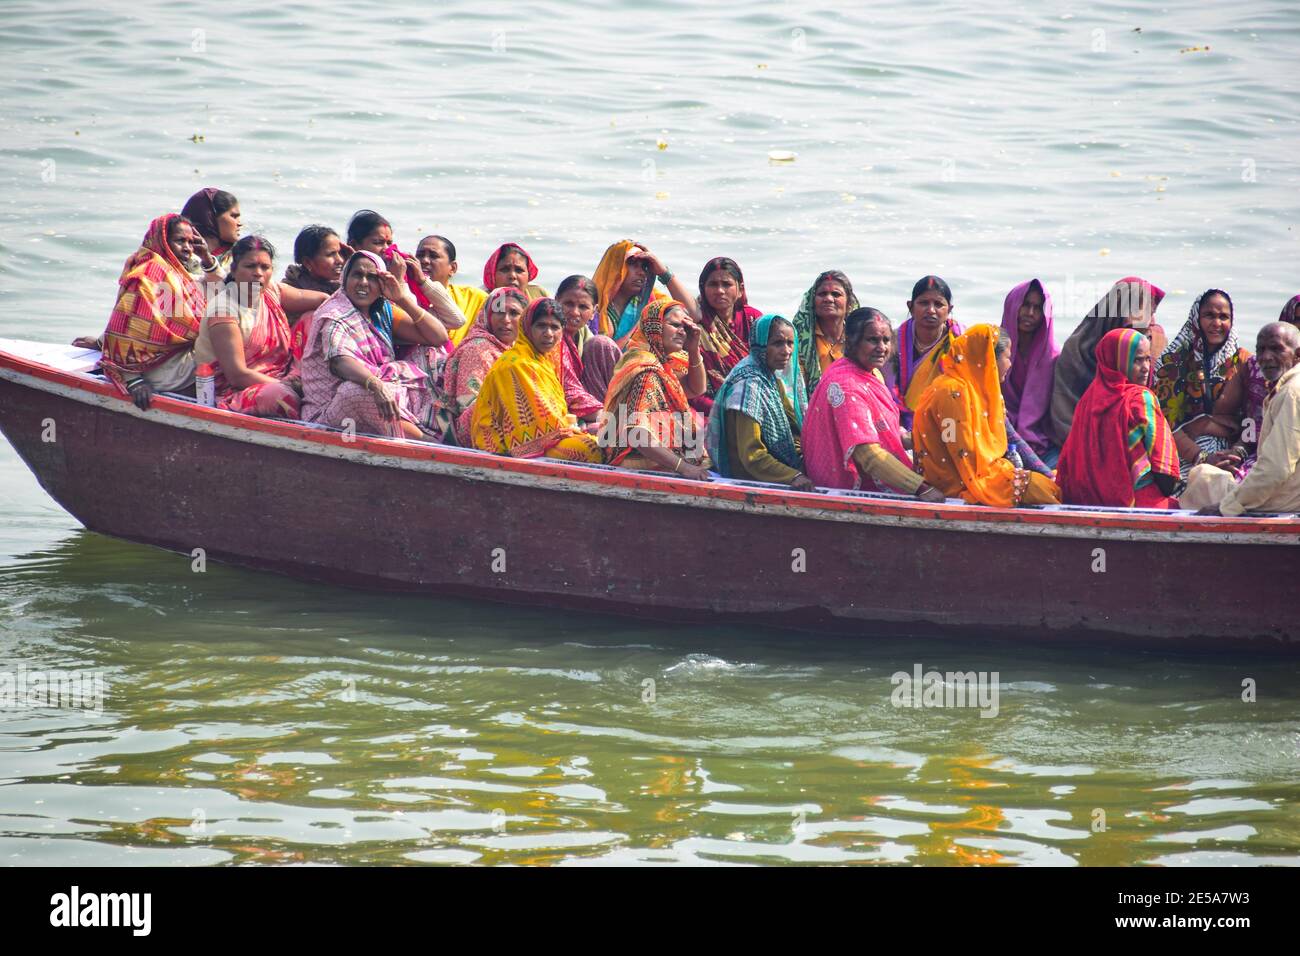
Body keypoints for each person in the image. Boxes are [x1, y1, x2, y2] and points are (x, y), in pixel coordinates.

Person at [299, 250, 448, 439]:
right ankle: (427, 442)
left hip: (379, 389)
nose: (363, 283)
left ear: (382, 283)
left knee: (430, 354)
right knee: (355, 391)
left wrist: (401, 298)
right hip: (330, 408)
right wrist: (376, 385)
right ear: (345, 279)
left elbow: (438, 337)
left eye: (372, 277)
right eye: (357, 275)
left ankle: (433, 425)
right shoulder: (334, 313)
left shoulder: (380, 311)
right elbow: (340, 362)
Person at [803, 308, 946, 501]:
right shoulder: (847, 386)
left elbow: (889, 433)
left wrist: (936, 438)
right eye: (872, 340)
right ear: (852, 342)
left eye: (886, 340)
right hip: (849, 492)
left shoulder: (872, 373)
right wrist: (921, 488)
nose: (882, 347)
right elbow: (867, 454)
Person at [913, 325, 1061, 507]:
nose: (1010, 364)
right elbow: (961, 451)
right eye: (1007, 357)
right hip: (954, 483)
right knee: (1040, 490)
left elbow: (1010, 436)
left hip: (979, 472)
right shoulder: (952, 391)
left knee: (1050, 483)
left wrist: (1047, 474)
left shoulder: (982, 393)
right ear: (988, 359)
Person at [193, 236, 326, 418]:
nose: (258, 273)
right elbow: (237, 375)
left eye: (265, 267)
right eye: (250, 266)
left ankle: (309, 382)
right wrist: (287, 386)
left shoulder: (271, 291)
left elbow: (324, 300)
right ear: (234, 269)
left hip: (284, 375)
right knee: (279, 396)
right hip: (236, 390)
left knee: (313, 318)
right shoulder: (223, 311)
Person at [1055, 328, 1181, 508]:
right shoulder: (1140, 399)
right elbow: (1165, 471)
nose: (1146, 367)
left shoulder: (1087, 400)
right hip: (1137, 504)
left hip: (1085, 502)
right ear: (1117, 360)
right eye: (1137, 360)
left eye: (1147, 358)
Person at [468, 297, 605, 462]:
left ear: (562, 331)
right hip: (504, 449)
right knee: (591, 449)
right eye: (541, 326)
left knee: (602, 440)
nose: (548, 334)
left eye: (554, 327)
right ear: (527, 327)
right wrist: (575, 432)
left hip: (544, 440)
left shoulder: (541, 361)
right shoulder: (516, 365)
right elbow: (537, 429)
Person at [1184, 323, 1300, 515]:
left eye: (1276, 348)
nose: (1265, 357)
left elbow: (1276, 469)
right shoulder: (1286, 387)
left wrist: (1227, 506)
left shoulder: (1290, 393)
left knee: (1201, 478)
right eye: (1260, 350)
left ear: (1297, 355)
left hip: (1285, 500)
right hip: (1288, 491)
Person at [98, 213, 207, 409]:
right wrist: (133, 380)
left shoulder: (175, 272)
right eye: (180, 241)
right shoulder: (149, 275)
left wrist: (206, 257)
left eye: (191, 243)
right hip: (157, 370)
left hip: (175, 356)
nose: (188, 249)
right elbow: (123, 327)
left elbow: (222, 286)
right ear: (162, 240)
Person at [599, 299, 710, 479]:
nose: (682, 331)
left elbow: (696, 389)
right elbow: (636, 433)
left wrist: (693, 350)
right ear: (654, 326)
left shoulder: (663, 363)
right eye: (674, 325)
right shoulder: (645, 369)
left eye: (685, 327)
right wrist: (683, 467)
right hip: (636, 460)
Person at [1051, 276, 1166, 443]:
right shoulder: (1078, 351)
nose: (1131, 319)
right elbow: (1065, 418)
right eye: (1129, 308)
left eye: (1145, 311)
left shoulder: (1154, 343)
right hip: (1081, 442)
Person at [706, 314, 814, 490]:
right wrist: (794, 476)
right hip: (751, 478)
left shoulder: (771, 377)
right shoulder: (749, 385)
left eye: (790, 343)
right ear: (760, 345)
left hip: (775, 468)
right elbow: (752, 455)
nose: (786, 350)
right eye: (777, 343)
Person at [1153, 288, 1251, 475]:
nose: (1216, 323)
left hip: (1236, 453)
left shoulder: (1245, 362)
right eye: (1209, 315)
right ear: (1196, 318)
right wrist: (1202, 457)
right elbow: (1165, 423)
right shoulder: (1172, 362)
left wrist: (1237, 452)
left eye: (1224, 317)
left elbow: (1255, 418)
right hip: (1184, 453)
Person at [434, 287, 527, 443]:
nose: (506, 319)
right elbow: (468, 403)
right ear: (487, 316)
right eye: (499, 312)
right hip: (477, 427)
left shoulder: (517, 351)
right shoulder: (477, 348)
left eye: (514, 313)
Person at [882, 275, 963, 429]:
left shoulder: (959, 342)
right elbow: (885, 388)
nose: (931, 310)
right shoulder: (892, 341)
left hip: (947, 421)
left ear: (949, 309)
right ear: (910, 307)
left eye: (938, 304)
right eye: (923, 303)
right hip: (897, 420)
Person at [1000, 278, 1060, 465]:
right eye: (1025, 305)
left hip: (1043, 442)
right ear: (1012, 306)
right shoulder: (992, 350)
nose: (1030, 313)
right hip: (998, 434)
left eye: (1038, 308)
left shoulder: (1054, 357)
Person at [592, 239, 698, 344]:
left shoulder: (651, 302)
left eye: (645, 267)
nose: (642, 273)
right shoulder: (589, 304)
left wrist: (663, 272)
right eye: (633, 264)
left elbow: (693, 314)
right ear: (615, 267)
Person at [692, 257, 759, 411]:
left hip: (750, 400)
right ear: (703, 288)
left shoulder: (752, 319)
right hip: (705, 402)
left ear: (740, 289)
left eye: (727, 284)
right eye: (713, 284)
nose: (720, 291)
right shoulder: (694, 322)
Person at [791, 269, 859, 393]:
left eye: (836, 294)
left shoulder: (858, 338)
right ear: (812, 301)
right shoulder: (798, 338)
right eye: (822, 294)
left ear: (849, 303)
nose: (828, 298)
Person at [555, 274, 622, 400]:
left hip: (592, 404)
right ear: (556, 301)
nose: (575, 312)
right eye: (568, 304)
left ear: (594, 312)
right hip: (559, 401)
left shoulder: (592, 343)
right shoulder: (548, 337)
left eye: (583, 307)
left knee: (603, 344)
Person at [415, 235, 487, 347]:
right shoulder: (405, 296)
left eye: (433, 256)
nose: (424, 260)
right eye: (420, 255)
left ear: (452, 268)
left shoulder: (475, 298)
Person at [281, 225, 346, 325]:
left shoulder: (343, 286)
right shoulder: (289, 290)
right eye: (330, 254)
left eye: (340, 253)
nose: (340, 260)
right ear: (308, 262)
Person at [180, 187, 241, 282]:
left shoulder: (241, 259)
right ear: (211, 217)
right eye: (234, 216)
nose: (239, 223)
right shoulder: (180, 256)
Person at [482, 242, 549, 299]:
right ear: (492, 275)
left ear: (529, 275)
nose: (512, 276)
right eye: (505, 269)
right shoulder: (480, 299)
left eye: (519, 270)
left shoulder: (538, 295)